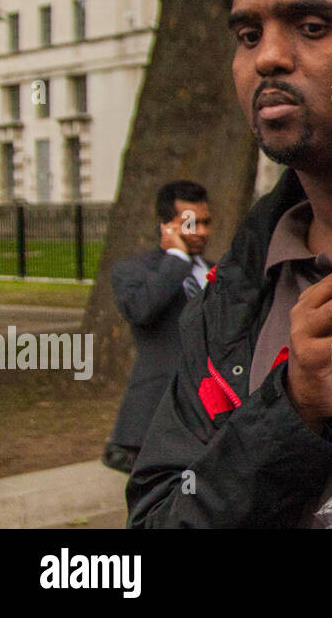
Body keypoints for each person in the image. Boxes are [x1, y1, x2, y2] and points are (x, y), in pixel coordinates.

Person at [127, 0, 332, 527]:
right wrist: (292, 409)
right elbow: (158, 519)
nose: (268, 57)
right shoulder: (231, 299)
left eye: (312, 26)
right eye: (248, 36)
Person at [102, 180, 213, 474]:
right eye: (191, 223)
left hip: (214, 417)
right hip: (156, 416)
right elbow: (142, 309)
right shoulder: (133, 271)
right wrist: (177, 258)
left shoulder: (221, 272)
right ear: (166, 225)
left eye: (205, 222)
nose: (201, 231)